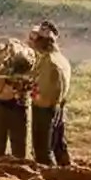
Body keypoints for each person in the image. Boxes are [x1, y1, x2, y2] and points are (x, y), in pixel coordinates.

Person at [28, 20, 71, 166]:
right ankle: (67, 172)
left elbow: (44, 92)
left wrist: (32, 96)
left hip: (45, 109)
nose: (32, 43)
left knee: (43, 150)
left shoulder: (49, 62)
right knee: (59, 145)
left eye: (35, 39)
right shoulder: (61, 59)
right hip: (60, 106)